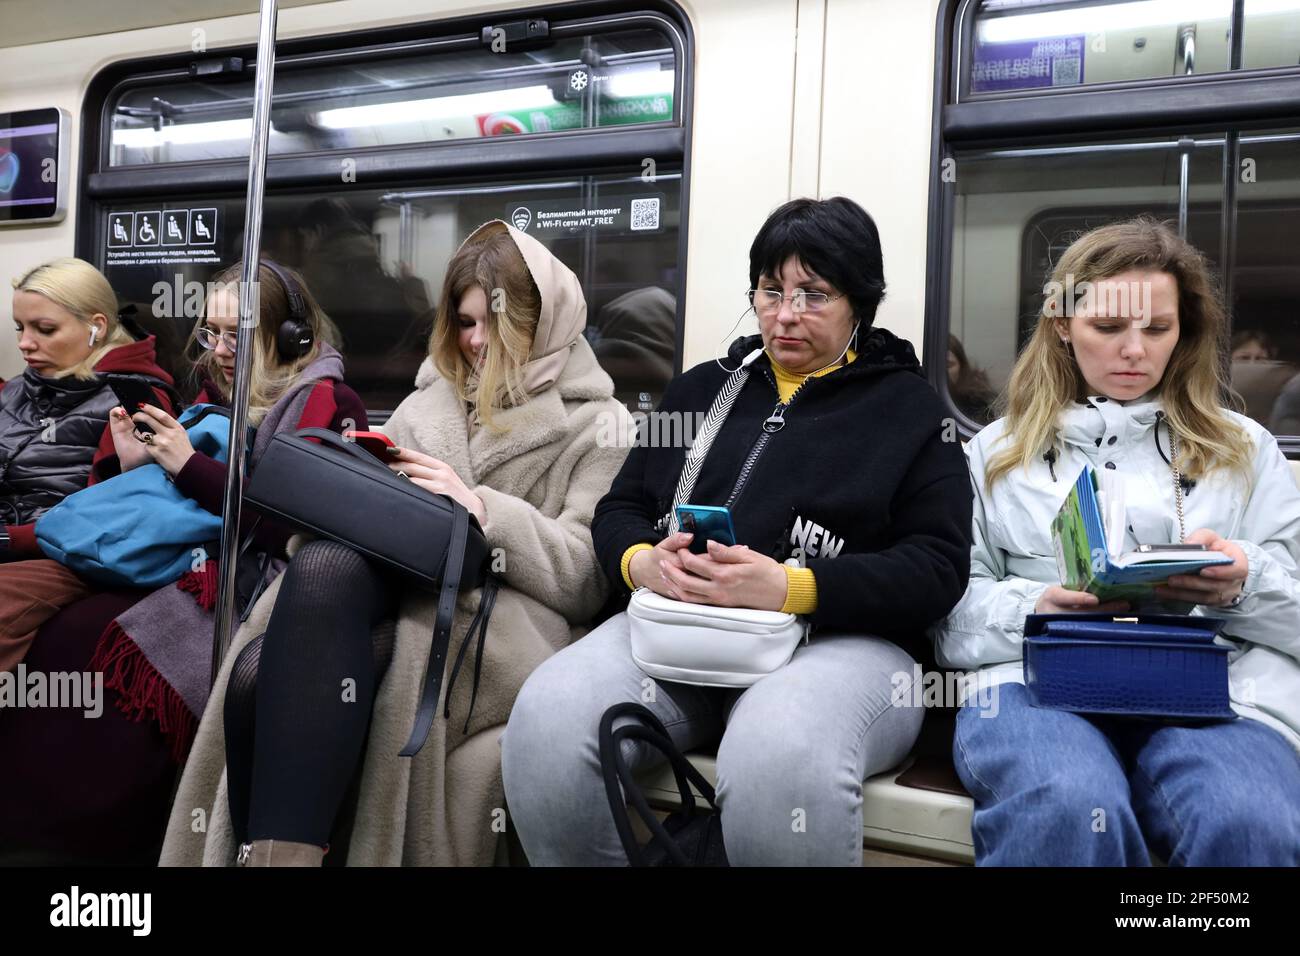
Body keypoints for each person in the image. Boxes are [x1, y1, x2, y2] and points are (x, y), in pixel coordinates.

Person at [501, 196, 974, 866]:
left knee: (779, 752)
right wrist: (641, 564)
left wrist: (791, 587)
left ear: (860, 303)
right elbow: (621, 509)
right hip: (682, 632)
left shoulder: (912, 413)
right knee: (546, 722)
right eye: (771, 291)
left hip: (843, 647)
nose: (786, 314)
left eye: (814, 295)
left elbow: (937, 569)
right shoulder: (701, 390)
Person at [159, 219, 632, 866]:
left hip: (503, 620)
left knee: (285, 667)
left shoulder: (598, 422)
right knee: (259, 661)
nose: (475, 341)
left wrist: (480, 508)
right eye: (464, 323)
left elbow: (584, 579)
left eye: (496, 322)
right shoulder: (426, 403)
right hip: (400, 585)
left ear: (544, 318)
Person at [933, 217, 1300, 866]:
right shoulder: (996, 453)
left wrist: (1244, 582)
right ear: (1062, 325)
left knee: (1248, 818)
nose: (1135, 350)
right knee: (1066, 804)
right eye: (1109, 328)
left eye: (1157, 329)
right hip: (1034, 682)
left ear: (1184, 332)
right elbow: (949, 611)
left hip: (1219, 683)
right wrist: (1036, 607)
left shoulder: (1245, 451)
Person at [0, 259, 363, 864]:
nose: (220, 351)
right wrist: (133, 464)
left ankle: (103, 837)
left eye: (236, 336)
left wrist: (185, 465)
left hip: (259, 570)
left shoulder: (326, 400)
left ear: (290, 335)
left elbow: (290, 523)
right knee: (72, 636)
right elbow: (165, 503)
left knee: (101, 642)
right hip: (191, 552)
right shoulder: (220, 391)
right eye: (210, 334)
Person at [0, 257, 174, 671]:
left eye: (45, 330)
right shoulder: (16, 391)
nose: (25, 344)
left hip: (67, 555)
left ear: (96, 326)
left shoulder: (134, 402)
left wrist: (12, 539)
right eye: (20, 328)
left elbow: (112, 517)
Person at [947, 333, 998, 425]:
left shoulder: (975, 404)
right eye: (936, 366)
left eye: (948, 365)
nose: (943, 370)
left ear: (961, 367)